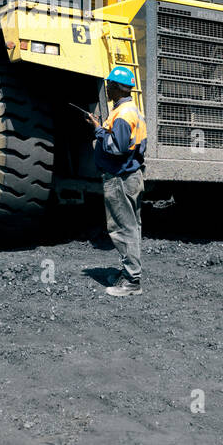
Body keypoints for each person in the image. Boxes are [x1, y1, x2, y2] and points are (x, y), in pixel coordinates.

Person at [85, 66, 148, 297]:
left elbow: (117, 148)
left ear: (117, 88)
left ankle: (132, 282)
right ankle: (128, 273)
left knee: (123, 229)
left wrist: (98, 131)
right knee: (132, 227)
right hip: (131, 176)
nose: (107, 88)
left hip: (120, 178)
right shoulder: (133, 111)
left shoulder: (122, 115)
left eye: (109, 85)